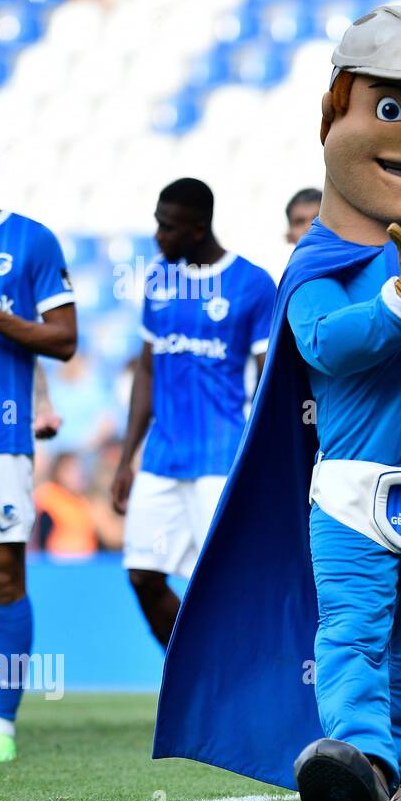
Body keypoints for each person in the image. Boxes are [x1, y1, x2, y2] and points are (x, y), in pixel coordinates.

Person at [153, 4, 401, 801]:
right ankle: (360, 763)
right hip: (354, 494)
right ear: (338, 116)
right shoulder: (325, 257)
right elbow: (330, 346)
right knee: (356, 634)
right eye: (395, 110)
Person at [111, 179, 275, 648]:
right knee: (143, 575)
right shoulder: (159, 278)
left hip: (221, 457)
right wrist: (127, 458)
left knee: (225, 584)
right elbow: (147, 369)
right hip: (162, 457)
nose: (158, 236)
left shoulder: (251, 284)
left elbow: (266, 380)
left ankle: (237, 682)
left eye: (167, 227)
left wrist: (262, 462)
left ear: (198, 228)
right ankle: (192, 670)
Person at [0, 116, 77, 763]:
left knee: (4, 579)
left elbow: (66, 340)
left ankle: (1, 726)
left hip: (1, 439)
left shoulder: (30, 241)